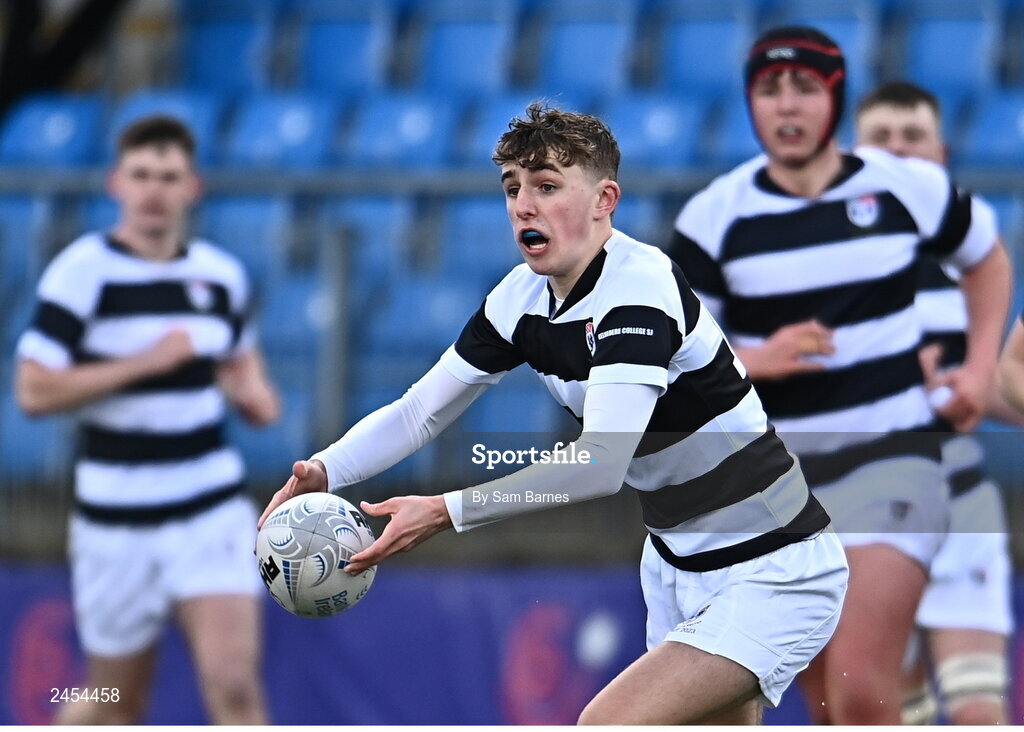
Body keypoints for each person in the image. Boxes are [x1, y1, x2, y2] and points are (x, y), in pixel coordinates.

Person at [259, 102, 849, 725]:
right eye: (513, 188)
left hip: (773, 567)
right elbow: (417, 415)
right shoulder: (518, 300)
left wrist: (445, 511)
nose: (523, 205)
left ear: (605, 200)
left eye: (546, 186)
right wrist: (326, 470)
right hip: (677, 566)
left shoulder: (639, 292)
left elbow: (598, 465)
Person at [666, 27, 1011, 725]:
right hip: (778, 489)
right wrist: (757, 360)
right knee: (827, 702)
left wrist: (979, 368)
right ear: (750, 103)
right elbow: (673, 354)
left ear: (835, 100)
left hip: (893, 464)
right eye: (769, 90)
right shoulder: (715, 217)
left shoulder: (904, 187)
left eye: (805, 89)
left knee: (861, 690)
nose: (786, 106)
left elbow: (988, 259)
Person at [14, 115, 279, 725]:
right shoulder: (83, 273)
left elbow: (250, 378)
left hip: (208, 508)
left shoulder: (221, 276)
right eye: (141, 175)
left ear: (193, 188)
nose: (154, 190)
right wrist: (144, 361)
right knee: (116, 702)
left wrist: (254, 397)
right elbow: (32, 390)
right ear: (116, 184)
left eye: (169, 176)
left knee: (234, 683)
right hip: (115, 522)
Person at [855, 80, 1014, 726]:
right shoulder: (809, 256)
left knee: (979, 712)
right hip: (857, 512)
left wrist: (975, 385)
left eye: (912, 136)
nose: (898, 150)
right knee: (888, 714)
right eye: (882, 137)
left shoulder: (972, 258)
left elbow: (994, 384)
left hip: (956, 502)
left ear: (941, 151)